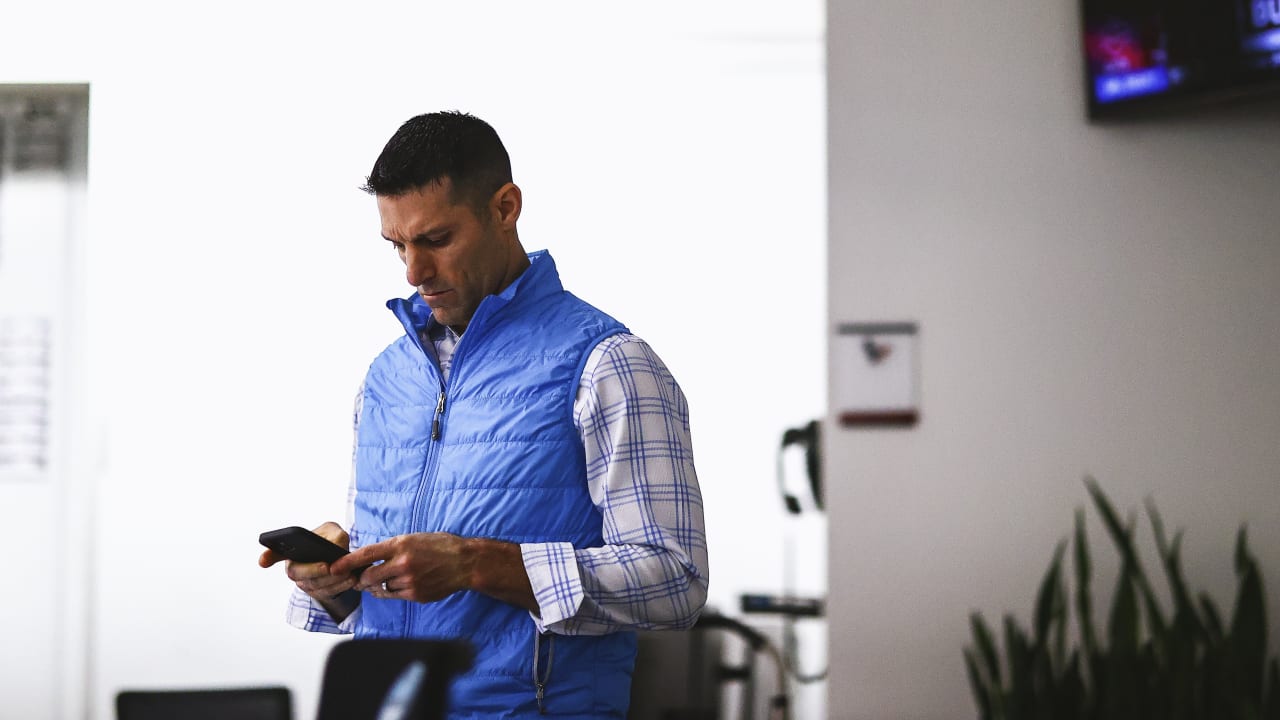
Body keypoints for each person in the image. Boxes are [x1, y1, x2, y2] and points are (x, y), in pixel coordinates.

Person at [259, 111, 709, 718]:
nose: (414, 273)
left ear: (505, 208)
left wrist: (476, 563)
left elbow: (675, 582)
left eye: (436, 240)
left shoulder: (608, 365)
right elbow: (403, 600)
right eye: (398, 246)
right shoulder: (387, 379)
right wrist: (339, 578)